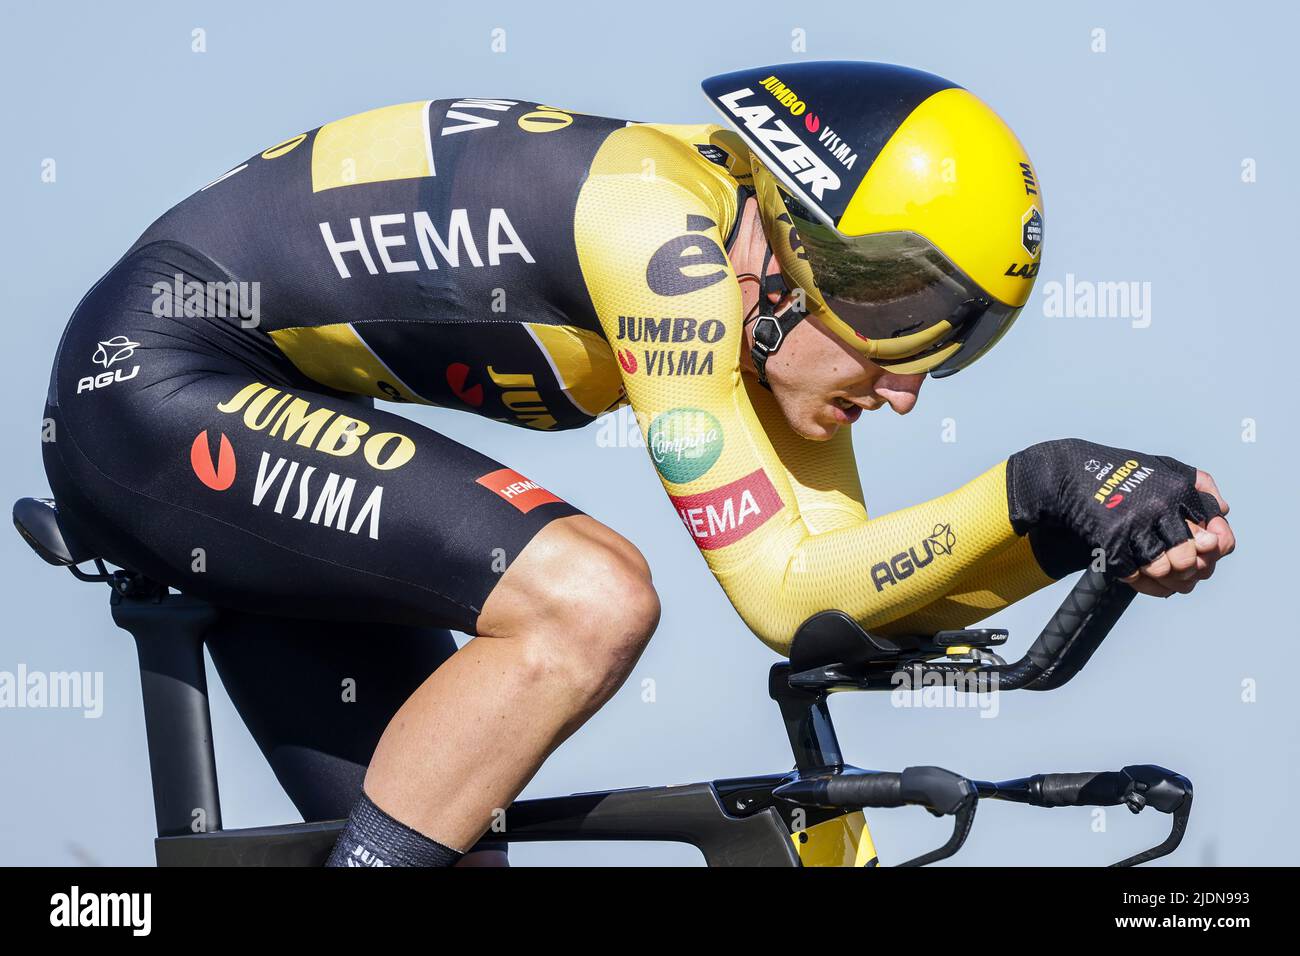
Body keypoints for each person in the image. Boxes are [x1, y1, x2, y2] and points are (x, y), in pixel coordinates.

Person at [40, 61, 1234, 867]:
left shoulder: (775, 293)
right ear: (811, 252)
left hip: (270, 421)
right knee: (590, 598)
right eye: (907, 316)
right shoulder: (666, 249)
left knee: (451, 835)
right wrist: (1041, 481)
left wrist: (1083, 525)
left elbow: (835, 621)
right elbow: (784, 589)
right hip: (153, 382)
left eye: (954, 338)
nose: (910, 379)